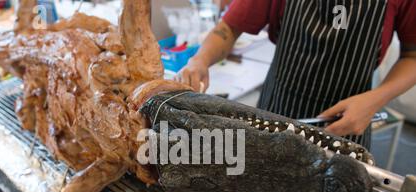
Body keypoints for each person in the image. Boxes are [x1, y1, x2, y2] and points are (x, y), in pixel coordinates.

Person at [176, 0, 416, 148]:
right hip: (277, 112)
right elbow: (229, 27)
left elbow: (412, 56)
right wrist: (200, 60)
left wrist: (375, 99)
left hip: (346, 125)